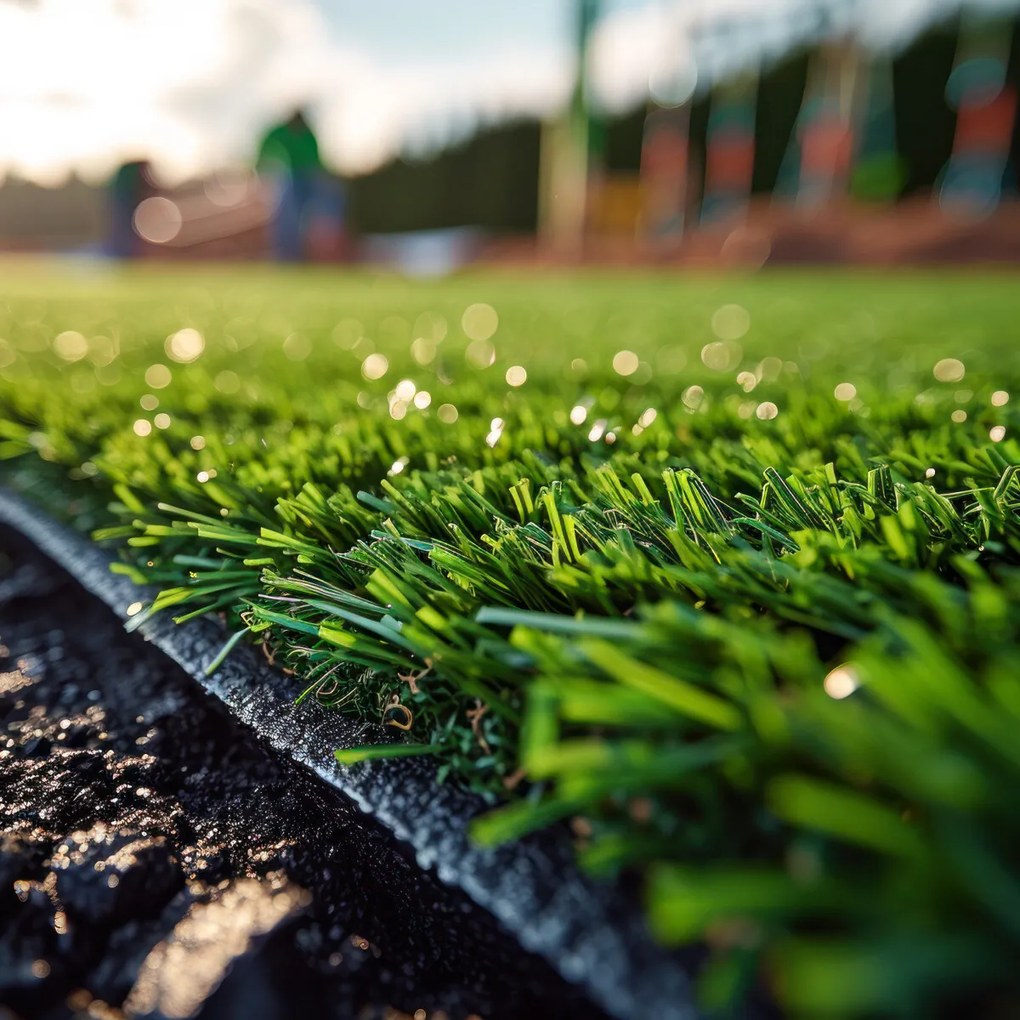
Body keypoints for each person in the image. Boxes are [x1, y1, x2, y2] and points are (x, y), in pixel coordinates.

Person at [257, 109, 343, 261]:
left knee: (317, 216)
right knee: (287, 218)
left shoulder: (308, 135)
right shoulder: (279, 132)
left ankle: (314, 251)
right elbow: (263, 153)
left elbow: (317, 164)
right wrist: (262, 171)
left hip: (309, 180)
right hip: (288, 179)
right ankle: (286, 255)